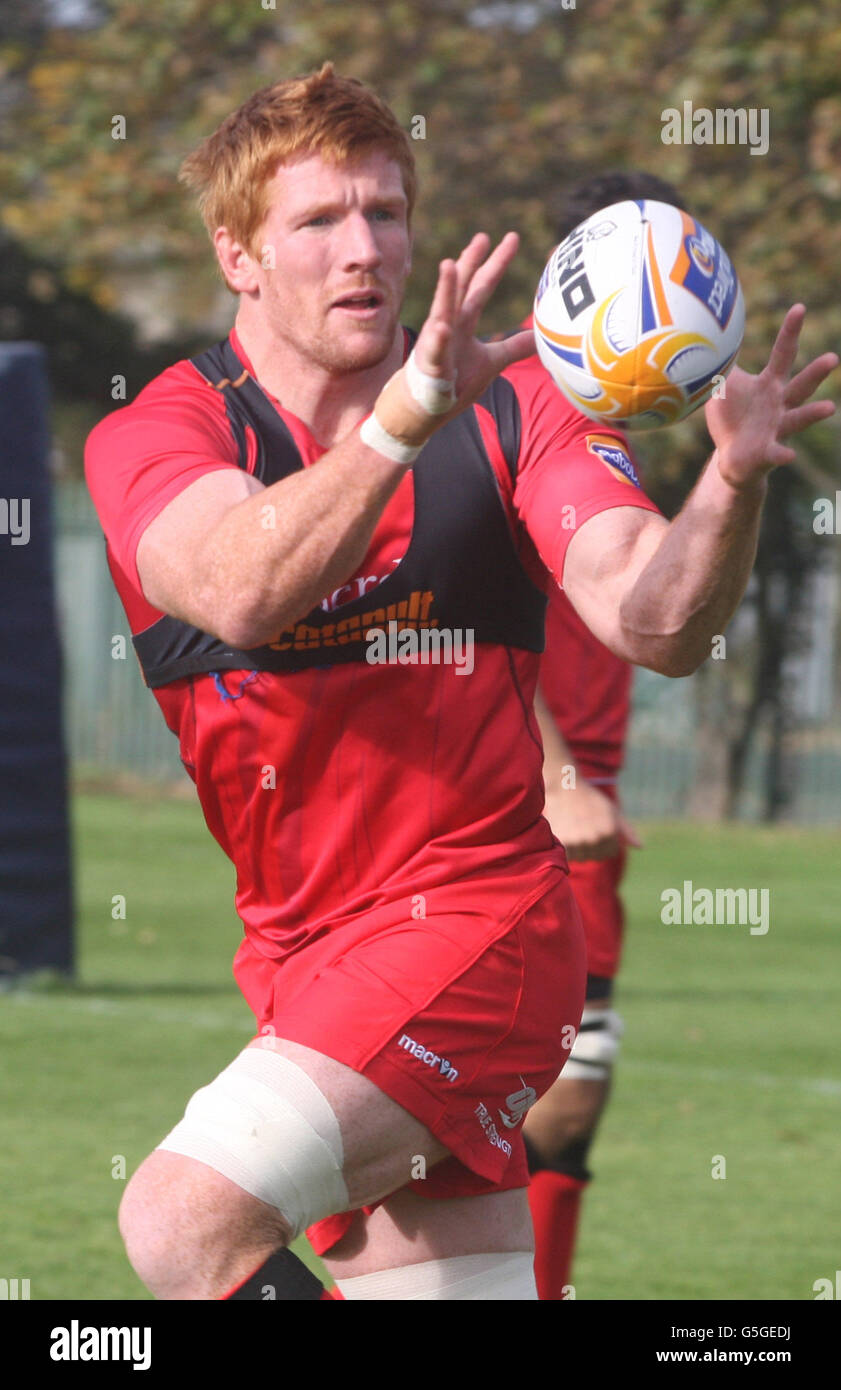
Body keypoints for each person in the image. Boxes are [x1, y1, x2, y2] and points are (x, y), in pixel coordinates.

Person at [85, 63, 836, 1301]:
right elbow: (233, 585)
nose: (361, 250)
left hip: (478, 923)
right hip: (297, 946)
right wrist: (402, 417)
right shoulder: (162, 431)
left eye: (385, 213)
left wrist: (730, 485)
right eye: (318, 222)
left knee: (181, 1221)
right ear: (237, 256)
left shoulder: (513, 407)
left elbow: (652, 618)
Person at [522, 171, 686, 1301]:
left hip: (591, 824)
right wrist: (556, 773)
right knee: (465, 1122)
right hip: (512, 808)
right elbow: (448, 620)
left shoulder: (623, 414)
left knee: (569, 1107)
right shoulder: (521, 408)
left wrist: (734, 475)